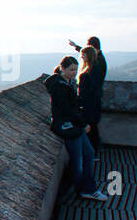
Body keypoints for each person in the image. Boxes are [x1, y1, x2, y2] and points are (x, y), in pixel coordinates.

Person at [42, 56, 103, 200]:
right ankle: (83, 188)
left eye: (76, 69)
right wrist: (83, 124)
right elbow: (67, 110)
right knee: (78, 160)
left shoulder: (67, 82)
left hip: (72, 125)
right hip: (68, 126)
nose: (74, 73)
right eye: (71, 70)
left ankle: (85, 187)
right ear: (62, 69)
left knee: (88, 153)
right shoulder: (59, 86)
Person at [77, 39, 107, 156]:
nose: (81, 57)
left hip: (90, 104)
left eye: (83, 55)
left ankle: (92, 153)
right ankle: (92, 153)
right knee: (92, 128)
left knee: (91, 128)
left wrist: (81, 100)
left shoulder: (93, 69)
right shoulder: (93, 67)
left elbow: (92, 88)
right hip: (90, 103)